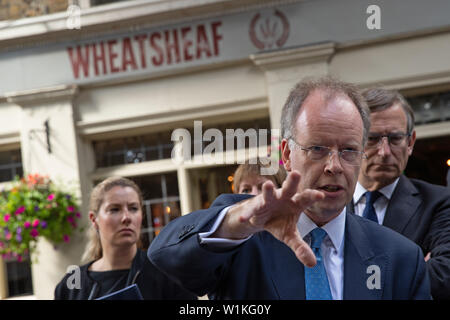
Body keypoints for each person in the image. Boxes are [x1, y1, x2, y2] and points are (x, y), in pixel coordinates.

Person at [148, 77, 431, 299]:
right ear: (286, 154)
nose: (334, 165)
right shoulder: (243, 239)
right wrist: (240, 222)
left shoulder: (401, 259)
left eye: (348, 150)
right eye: (318, 149)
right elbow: (165, 256)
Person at [347, 88, 450, 300]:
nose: (384, 152)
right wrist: (413, 268)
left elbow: (443, 276)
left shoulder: (439, 203)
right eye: (373, 139)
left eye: (395, 139)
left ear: (410, 142)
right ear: (352, 143)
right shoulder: (327, 205)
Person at [54, 176, 197, 300]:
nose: (126, 217)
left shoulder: (166, 273)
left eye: (133, 208)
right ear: (94, 219)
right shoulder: (72, 284)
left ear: (141, 215)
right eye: (115, 209)